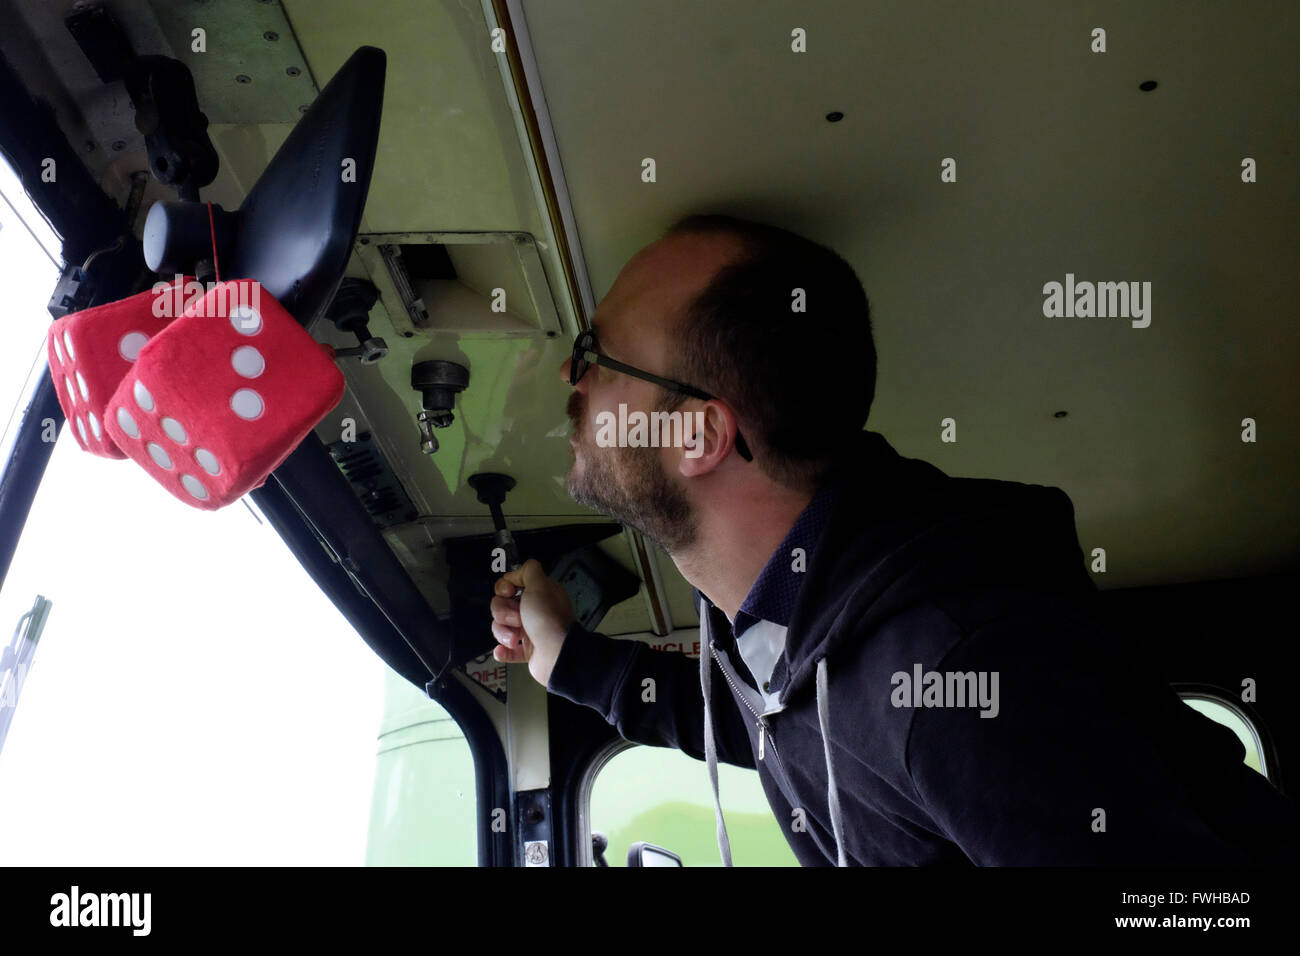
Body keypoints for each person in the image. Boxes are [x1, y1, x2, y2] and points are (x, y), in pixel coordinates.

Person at [489, 213, 1300, 865]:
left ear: (699, 435)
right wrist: (569, 659)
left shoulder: (961, 671)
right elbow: (768, 724)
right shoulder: (808, 627)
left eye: (599, 356)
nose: (572, 376)